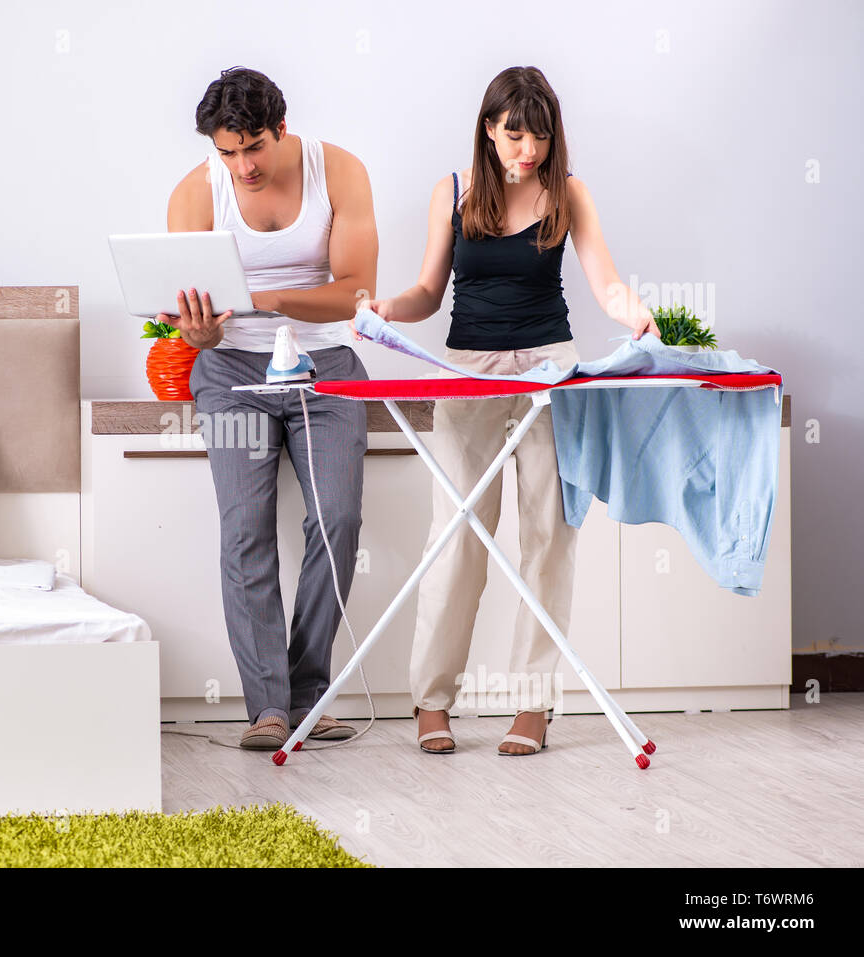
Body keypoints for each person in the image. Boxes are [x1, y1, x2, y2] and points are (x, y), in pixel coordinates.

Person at [354, 66, 660, 756]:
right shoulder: (454, 192)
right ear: (489, 129)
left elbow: (606, 284)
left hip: (548, 371)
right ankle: (432, 699)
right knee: (457, 538)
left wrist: (637, 314)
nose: (528, 149)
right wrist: (383, 310)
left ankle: (533, 704)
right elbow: (429, 292)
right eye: (515, 133)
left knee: (548, 536)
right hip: (469, 373)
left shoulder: (568, 193)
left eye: (540, 135)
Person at [157, 66, 379, 750]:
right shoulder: (196, 193)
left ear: (280, 129)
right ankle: (269, 707)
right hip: (231, 371)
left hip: (324, 363)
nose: (242, 165)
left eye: (253, 146)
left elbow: (356, 294)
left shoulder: (336, 170)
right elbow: (198, 323)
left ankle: (309, 692)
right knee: (246, 527)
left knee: (337, 518)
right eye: (228, 151)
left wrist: (269, 297)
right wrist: (200, 336)